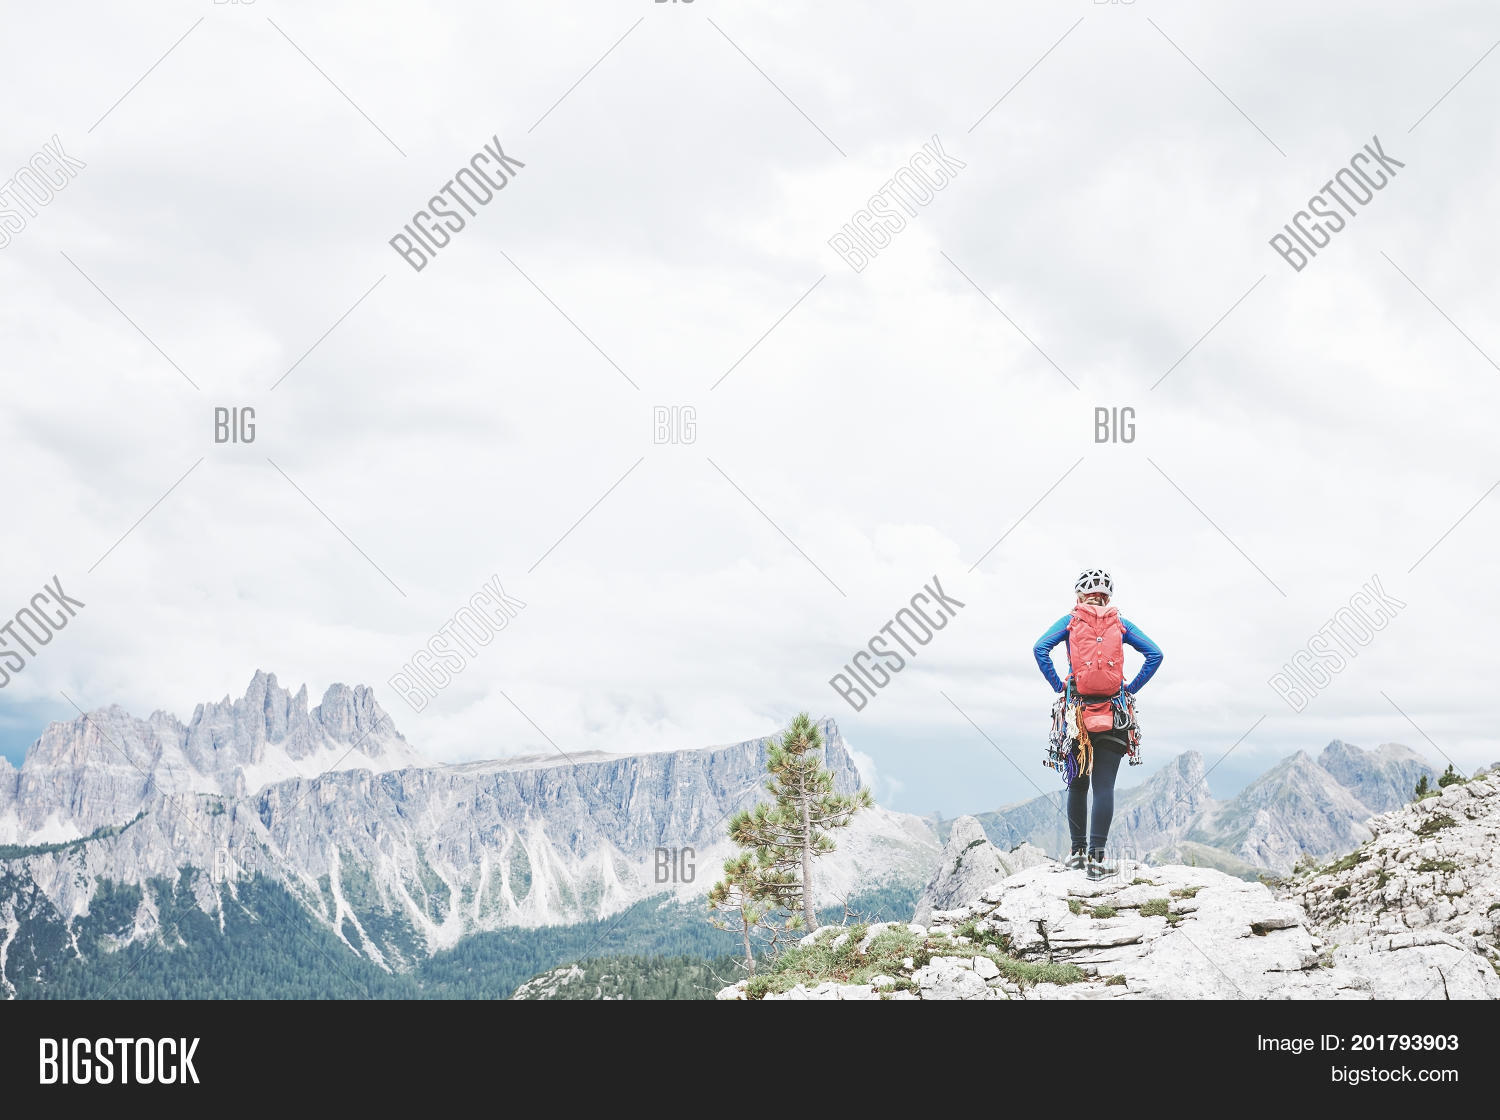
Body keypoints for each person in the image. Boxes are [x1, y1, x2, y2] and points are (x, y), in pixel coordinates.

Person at [1033, 568, 1163, 880]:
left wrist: (1059, 685)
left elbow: (1040, 648)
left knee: (1077, 784)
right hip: (1116, 712)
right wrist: (1129, 688)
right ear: (1108, 597)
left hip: (1077, 713)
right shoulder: (1120, 622)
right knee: (1103, 786)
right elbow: (1155, 654)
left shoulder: (1070, 620)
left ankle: (1077, 853)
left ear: (1079, 595)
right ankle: (1097, 858)